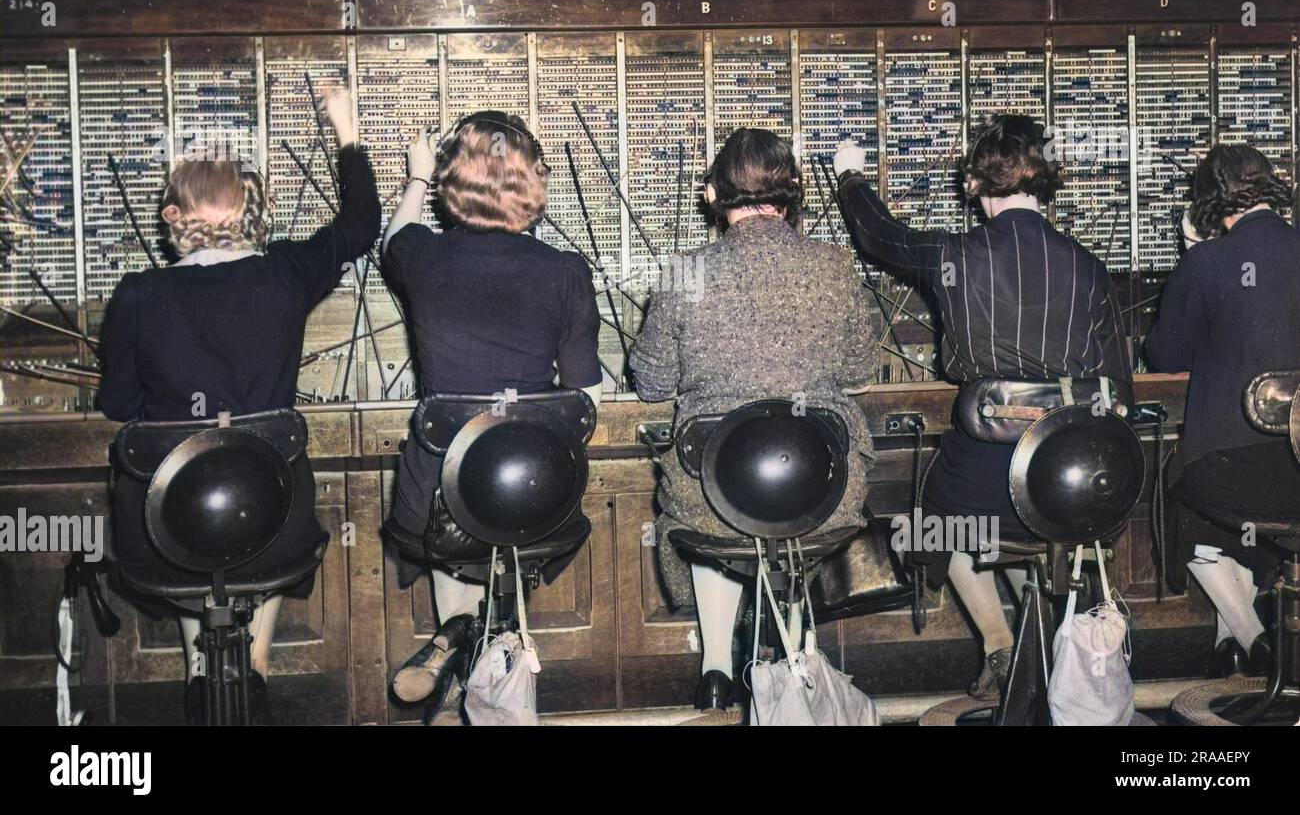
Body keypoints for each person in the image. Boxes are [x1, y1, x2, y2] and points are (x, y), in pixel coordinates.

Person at [98, 86, 380, 721]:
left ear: (175, 216)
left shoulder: (137, 295)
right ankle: (252, 665)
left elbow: (118, 406)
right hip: (275, 527)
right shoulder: (286, 272)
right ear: (256, 211)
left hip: (161, 533)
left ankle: (202, 670)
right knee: (258, 502)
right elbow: (361, 226)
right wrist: (348, 133)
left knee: (187, 509)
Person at [834, 113, 1131, 699]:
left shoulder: (955, 255)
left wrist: (850, 178)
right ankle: (1051, 646)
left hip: (980, 473)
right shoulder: (1090, 268)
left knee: (935, 527)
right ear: (1046, 182)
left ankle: (999, 647)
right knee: (1041, 537)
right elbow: (1118, 390)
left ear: (974, 183)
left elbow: (879, 236)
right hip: (1065, 483)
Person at [630, 127, 878, 711]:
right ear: (791, 195)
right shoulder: (833, 265)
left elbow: (654, 384)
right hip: (821, 490)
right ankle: (799, 657)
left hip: (709, 493)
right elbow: (860, 372)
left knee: (720, 526)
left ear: (713, 194)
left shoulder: (683, 271)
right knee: (789, 523)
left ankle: (716, 669)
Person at [381, 112, 602, 722]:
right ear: (533, 181)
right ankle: (487, 647)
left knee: (454, 526)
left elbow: (392, 237)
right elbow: (587, 402)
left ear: (454, 181)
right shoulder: (565, 271)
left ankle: (455, 633)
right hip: (534, 497)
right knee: (507, 519)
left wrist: (417, 178)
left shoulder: (422, 259)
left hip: (436, 502)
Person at [1146, 143, 1300, 675]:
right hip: (1297, 466)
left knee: (1182, 495)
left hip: (1228, 469)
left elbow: (1165, 354)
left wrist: (1193, 251)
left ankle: (1260, 644)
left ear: (1207, 203)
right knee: (1244, 523)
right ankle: (1229, 647)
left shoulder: (1208, 261)